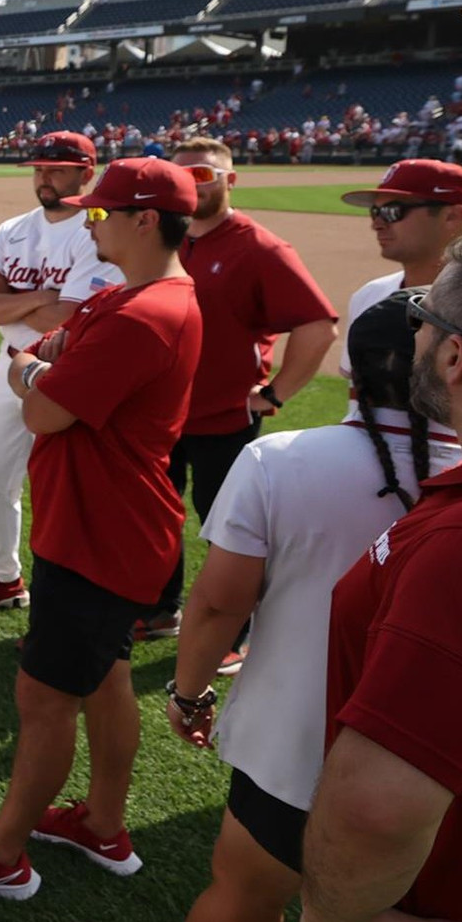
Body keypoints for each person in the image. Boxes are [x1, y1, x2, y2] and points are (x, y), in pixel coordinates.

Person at [0, 157, 202, 901]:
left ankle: (2, 855)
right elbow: (46, 352)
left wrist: (33, 374)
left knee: (44, 700)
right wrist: (42, 366)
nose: (90, 222)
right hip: (103, 524)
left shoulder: (142, 312)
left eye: (103, 213)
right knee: (106, 678)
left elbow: (40, 401)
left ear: (145, 221)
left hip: (102, 532)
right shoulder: (136, 299)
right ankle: (102, 824)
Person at [168, 292, 460, 922]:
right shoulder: (454, 476)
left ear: (350, 373)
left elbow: (218, 603)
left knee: (243, 893)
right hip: (434, 784)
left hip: (289, 750)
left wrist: (188, 696)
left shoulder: (279, 460)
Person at [303, 249, 462, 922]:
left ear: (455, 356)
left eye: (422, 318)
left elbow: (374, 812)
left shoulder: (455, 548)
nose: (415, 335)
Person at [137, 138, 338, 649]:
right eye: (182, 177)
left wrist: (274, 395)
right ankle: (161, 610)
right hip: (160, 412)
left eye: (204, 175)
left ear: (231, 181)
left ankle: (237, 633)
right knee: (157, 515)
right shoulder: (168, 237)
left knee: (230, 532)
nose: (193, 185)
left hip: (223, 419)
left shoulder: (260, 247)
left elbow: (317, 326)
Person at [0, 131, 122, 615]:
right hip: (11, 363)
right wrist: (42, 298)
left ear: (87, 172)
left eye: (57, 169)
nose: (44, 177)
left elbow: (72, 319)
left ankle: (75, 600)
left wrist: (12, 301)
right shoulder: (11, 231)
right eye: (39, 168)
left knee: (72, 491)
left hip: (76, 371)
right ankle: (4, 578)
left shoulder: (99, 228)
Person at [338, 160, 462, 378]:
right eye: (375, 211)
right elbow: (360, 401)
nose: (376, 223)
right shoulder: (370, 297)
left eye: (392, 211)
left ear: (452, 216)